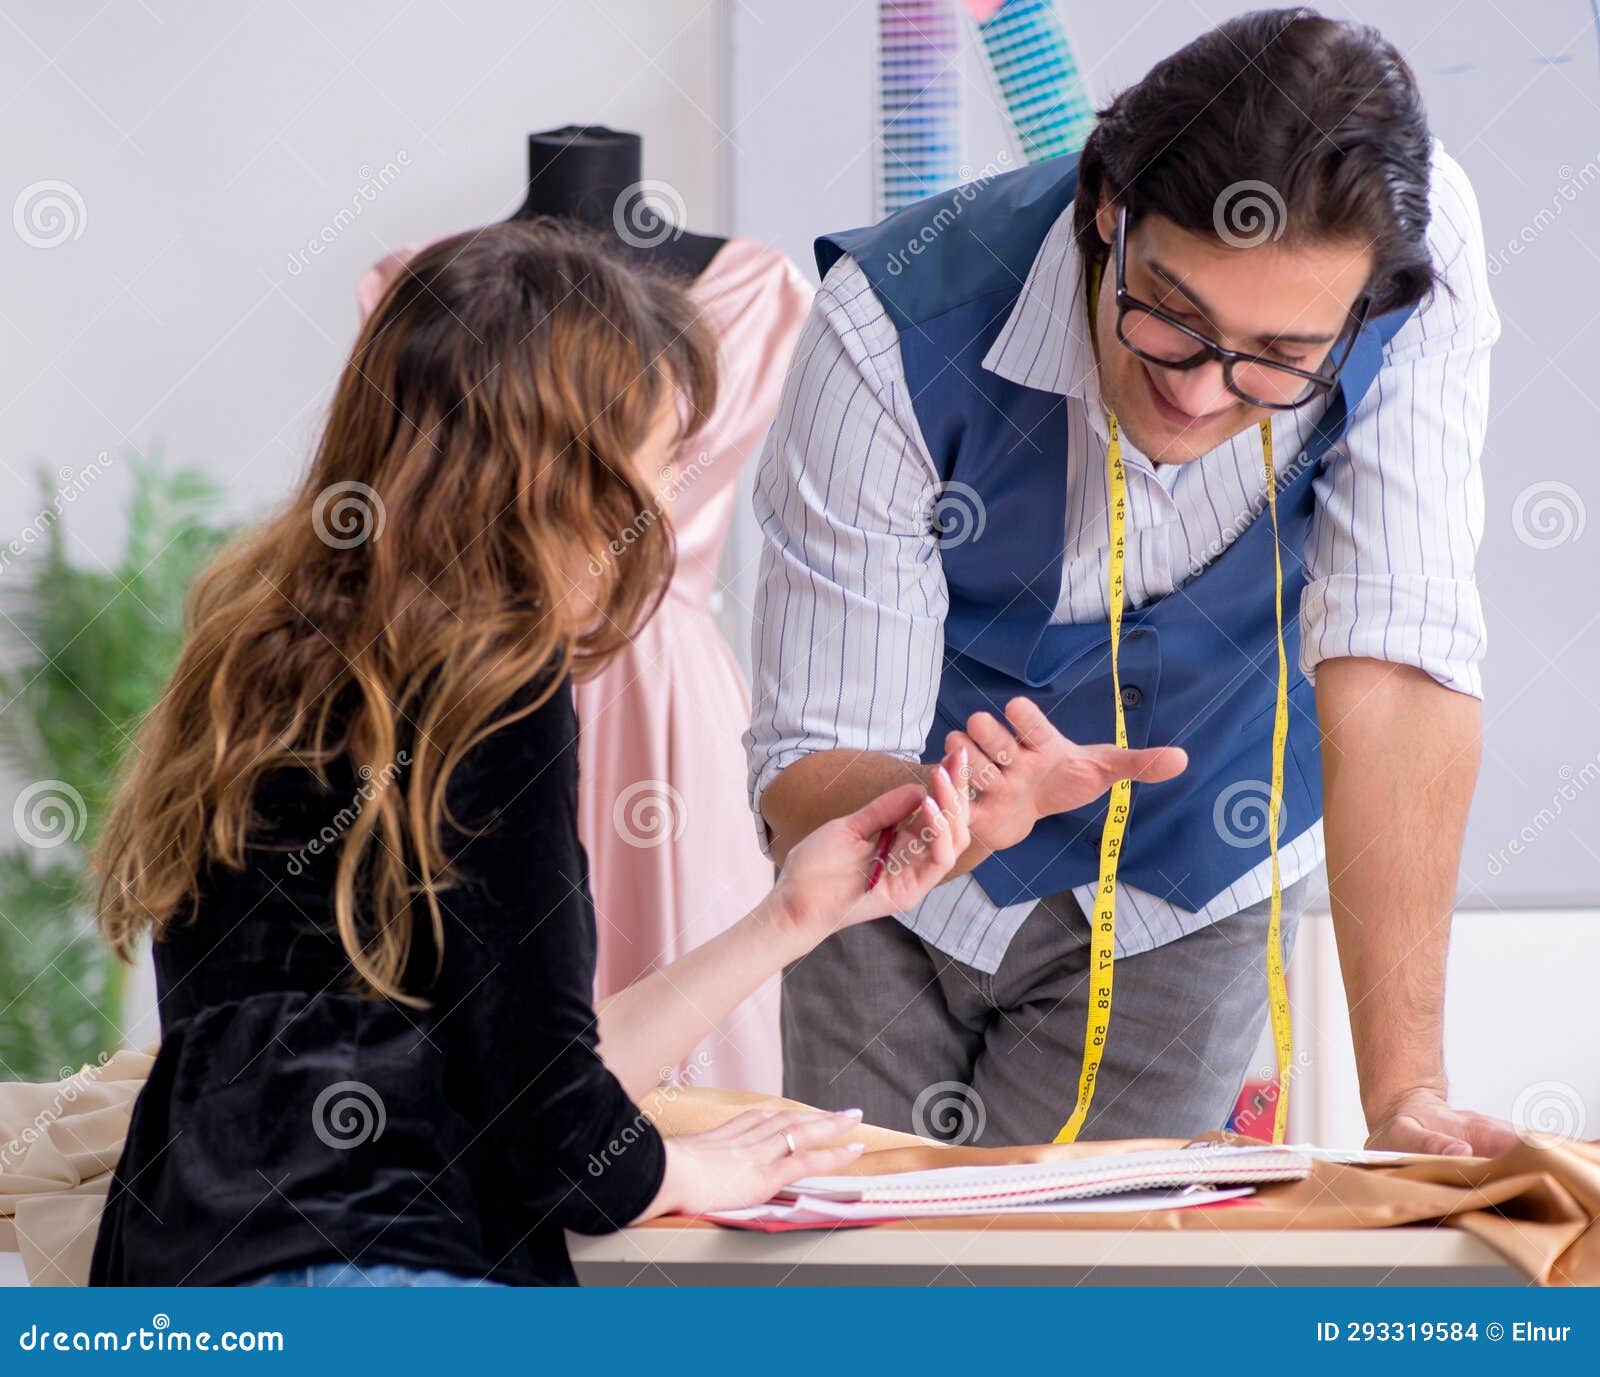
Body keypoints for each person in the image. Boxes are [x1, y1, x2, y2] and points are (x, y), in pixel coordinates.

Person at [83, 221, 1142, 1288]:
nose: (662, 500)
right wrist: (678, 1167)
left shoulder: (256, 657)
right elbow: (551, 1134)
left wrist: (794, 915)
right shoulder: (495, 686)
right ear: (563, 472)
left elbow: (506, 1079)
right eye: (660, 456)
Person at [748, 8, 1518, 1156]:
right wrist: (947, 811)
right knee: (866, 1285)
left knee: (1087, 1305)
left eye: (1276, 360)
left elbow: (1398, 652)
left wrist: (1405, 1095)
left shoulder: (1411, 261)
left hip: (1197, 866)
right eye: (1173, 318)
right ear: (1107, 212)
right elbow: (806, 763)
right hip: (893, 879)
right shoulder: (886, 328)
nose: (1205, 396)